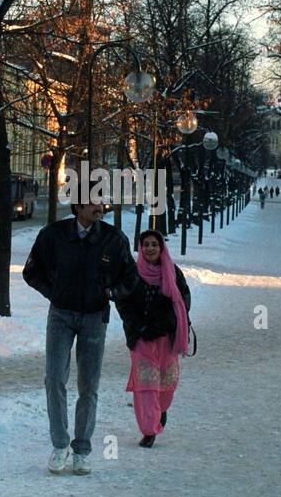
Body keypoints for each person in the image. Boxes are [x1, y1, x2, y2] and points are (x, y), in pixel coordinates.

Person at [23, 200, 138, 475]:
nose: (99, 208)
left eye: (101, 203)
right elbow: (31, 271)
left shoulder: (112, 238)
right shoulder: (54, 235)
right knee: (54, 379)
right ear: (78, 207)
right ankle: (60, 444)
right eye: (93, 203)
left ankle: (82, 450)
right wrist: (54, 292)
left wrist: (111, 293)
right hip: (61, 316)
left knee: (89, 386)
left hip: (95, 318)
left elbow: (131, 278)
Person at [115, 230, 190, 448]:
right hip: (140, 338)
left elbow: (183, 300)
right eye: (146, 244)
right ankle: (149, 430)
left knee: (166, 381)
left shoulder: (173, 272)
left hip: (166, 336)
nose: (150, 249)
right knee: (146, 383)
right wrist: (138, 325)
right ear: (140, 248)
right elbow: (123, 301)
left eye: (154, 245)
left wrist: (165, 323)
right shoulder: (131, 273)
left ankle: (161, 409)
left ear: (161, 248)